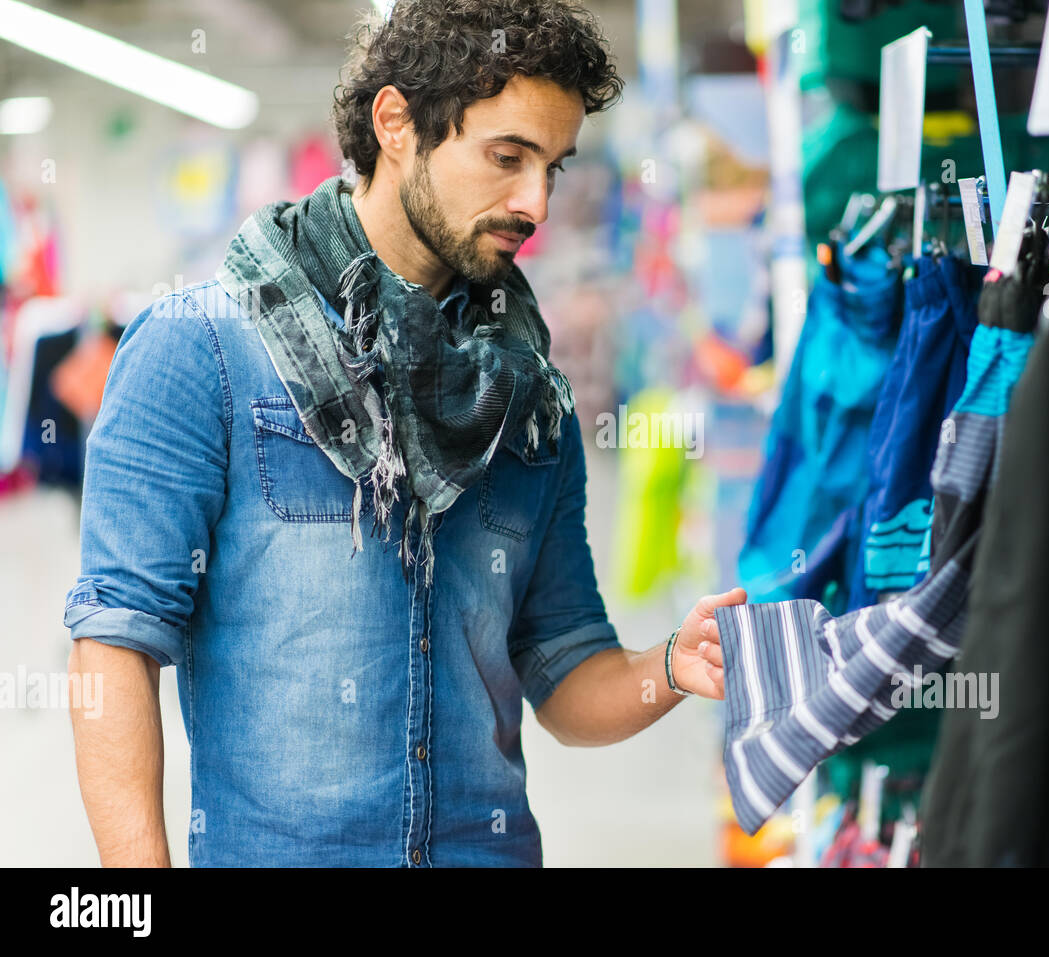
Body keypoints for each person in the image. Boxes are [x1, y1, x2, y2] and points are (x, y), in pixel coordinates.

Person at [65, 0, 744, 867]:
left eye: (553, 168)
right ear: (396, 124)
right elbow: (117, 640)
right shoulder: (203, 349)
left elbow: (567, 670)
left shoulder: (527, 391)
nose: (533, 201)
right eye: (507, 157)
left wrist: (673, 666)